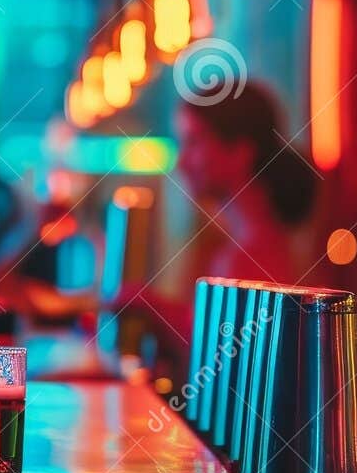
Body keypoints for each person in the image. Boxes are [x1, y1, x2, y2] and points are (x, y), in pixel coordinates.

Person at [117, 83, 319, 355]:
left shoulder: (253, 255)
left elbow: (223, 357)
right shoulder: (247, 243)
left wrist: (150, 307)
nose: (182, 162)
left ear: (240, 152)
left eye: (194, 142)